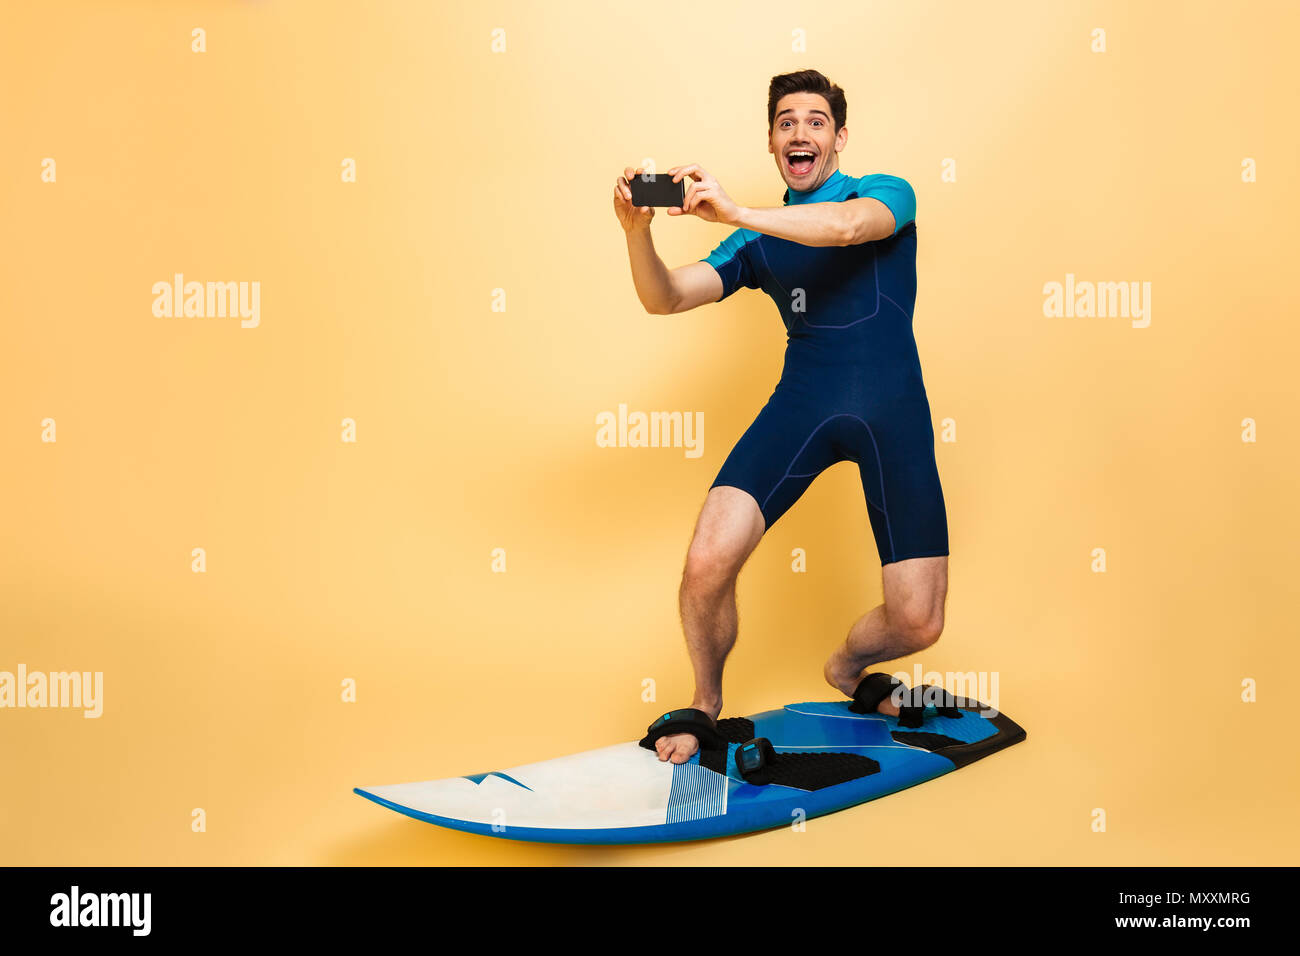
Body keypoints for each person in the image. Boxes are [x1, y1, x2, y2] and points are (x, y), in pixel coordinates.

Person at [614, 69, 949, 763]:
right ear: (772, 141)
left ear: (840, 138)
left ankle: (848, 669)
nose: (801, 131)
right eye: (786, 121)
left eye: (816, 120)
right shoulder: (755, 244)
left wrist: (736, 212)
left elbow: (849, 227)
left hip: (895, 411)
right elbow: (667, 298)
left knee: (918, 622)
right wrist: (635, 232)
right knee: (707, 561)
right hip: (803, 405)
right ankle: (706, 705)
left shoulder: (882, 193)